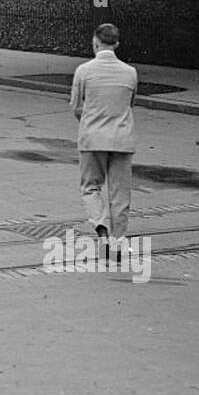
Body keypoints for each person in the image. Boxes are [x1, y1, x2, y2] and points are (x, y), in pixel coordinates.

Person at [70, 23, 138, 264]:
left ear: (96, 42)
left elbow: (76, 106)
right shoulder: (130, 72)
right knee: (120, 194)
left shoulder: (83, 71)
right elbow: (130, 103)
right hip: (122, 139)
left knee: (90, 186)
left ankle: (101, 226)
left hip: (92, 138)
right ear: (117, 44)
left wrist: (90, 120)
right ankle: (119, 242)